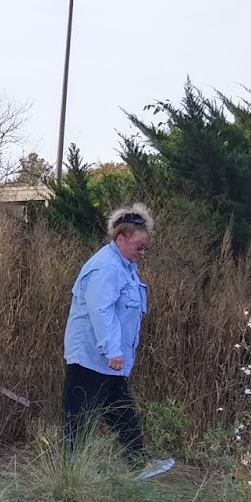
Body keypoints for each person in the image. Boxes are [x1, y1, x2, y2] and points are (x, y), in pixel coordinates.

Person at [61, 202, 176, 480]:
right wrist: (113, 350)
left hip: (110, 360)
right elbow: (101, 311)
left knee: (120, 410)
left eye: (145, 248)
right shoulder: (106, 268)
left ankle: (139, 463)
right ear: (120, 238)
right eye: (138, 246)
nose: (142, 252)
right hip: (92, 356)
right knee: (79, 415)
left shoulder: (125, 267)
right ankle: (70, 474)